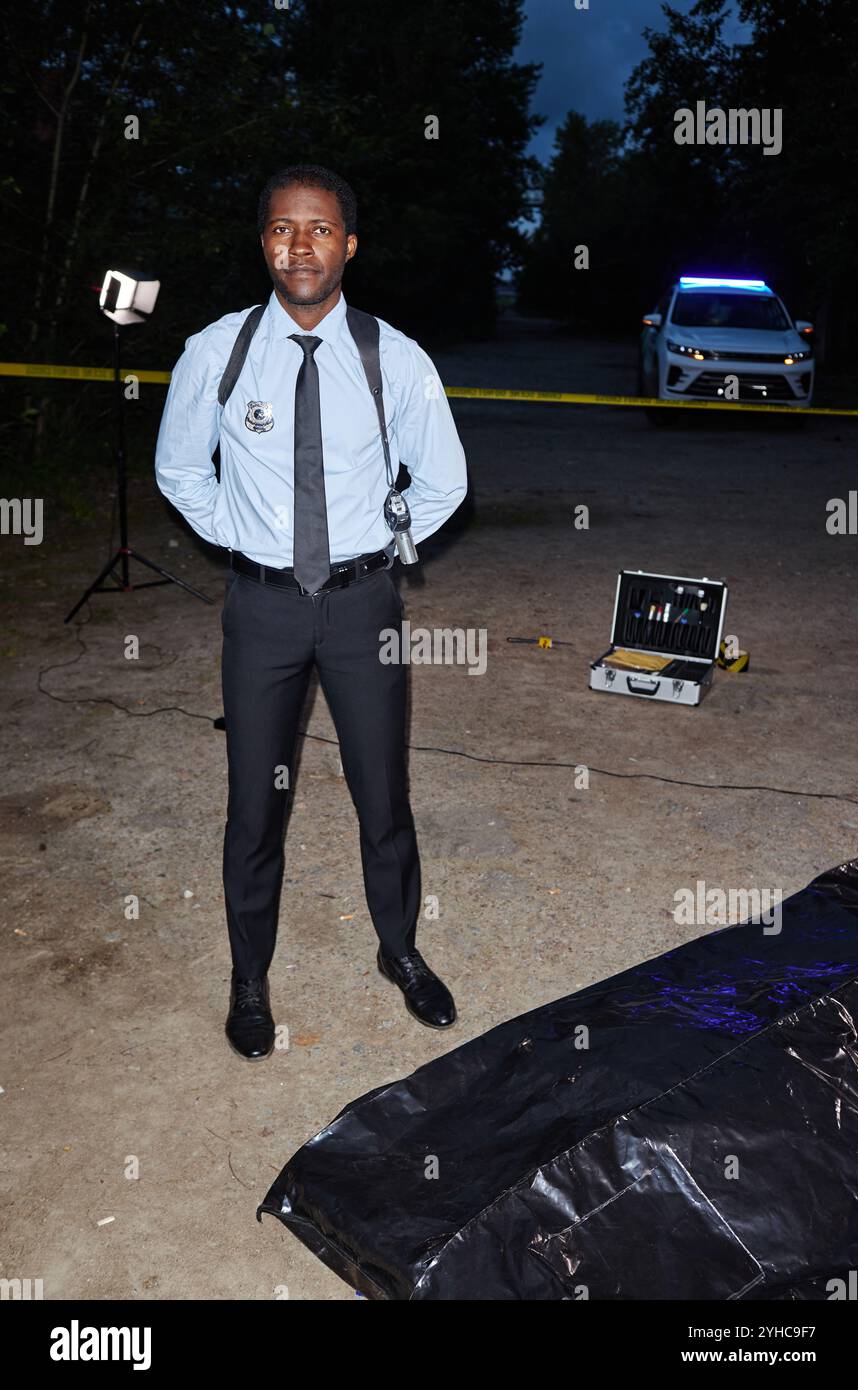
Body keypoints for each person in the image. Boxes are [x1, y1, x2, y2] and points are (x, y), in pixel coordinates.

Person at [155, 165, 468, 1060]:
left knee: (383, 793)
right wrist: (238, 538)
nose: (302, 244)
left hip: (363, 601)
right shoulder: (215, 353)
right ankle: (248, 978)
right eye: (284, 229)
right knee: (255, 805)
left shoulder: (392, 356)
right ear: (264, 244)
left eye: (321, 229)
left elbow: (444, 481)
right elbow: (180, 470)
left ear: (349, 245)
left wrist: (389, 534)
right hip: (261, 611)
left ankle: (401, 951)